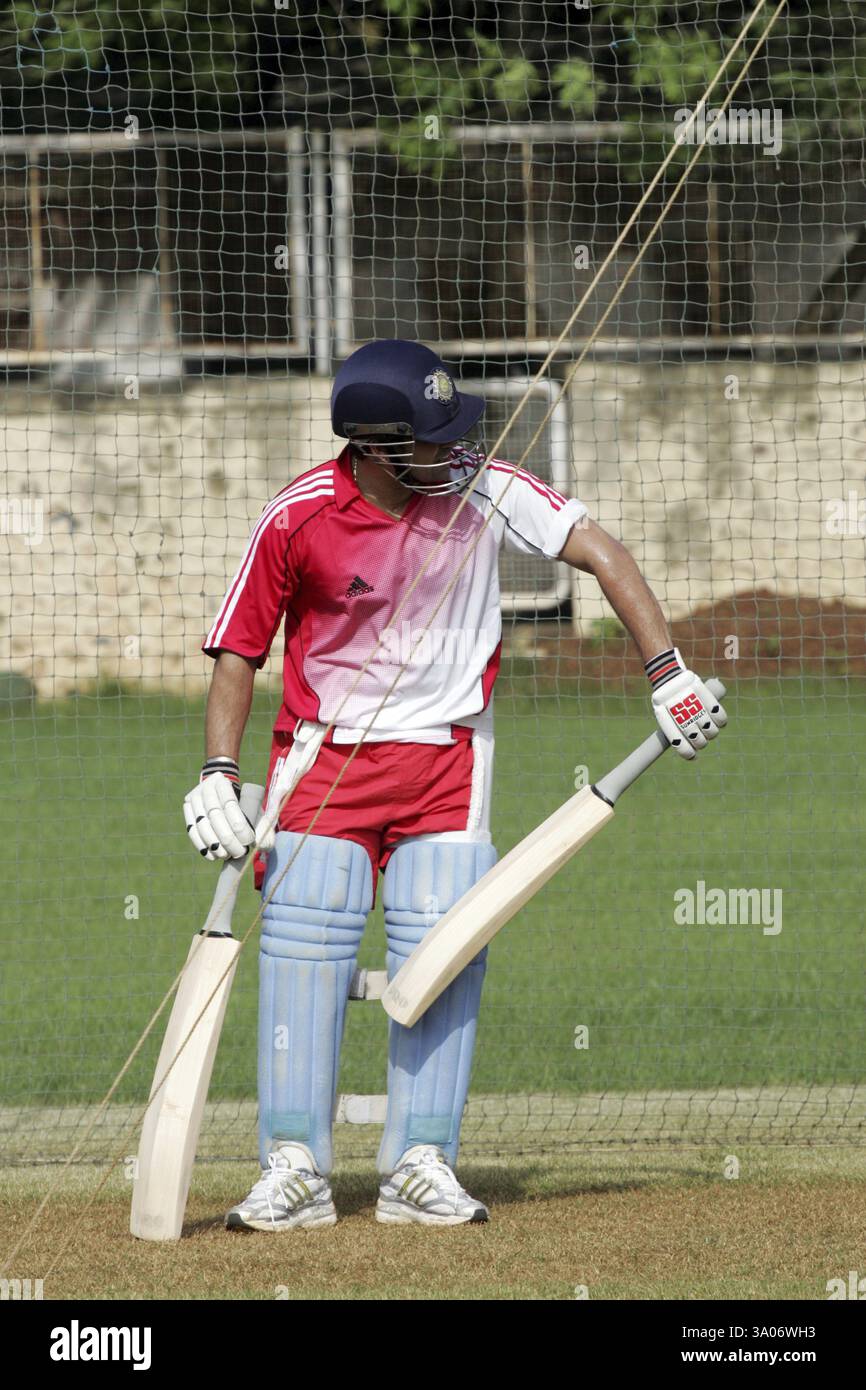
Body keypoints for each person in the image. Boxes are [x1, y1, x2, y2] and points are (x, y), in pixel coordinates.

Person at [183, 339, 726, 1230]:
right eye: (432, 438)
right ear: (376, 445)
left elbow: (600, 550)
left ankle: (420, 1163)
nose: (453, 449)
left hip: (448, 765)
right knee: (304, 949)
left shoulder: (482, 484)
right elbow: (240, 648)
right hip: (324, 764)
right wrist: (219, 773)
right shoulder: (300, 515)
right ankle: (294, 1165)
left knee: (442, 953)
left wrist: (666, 671)